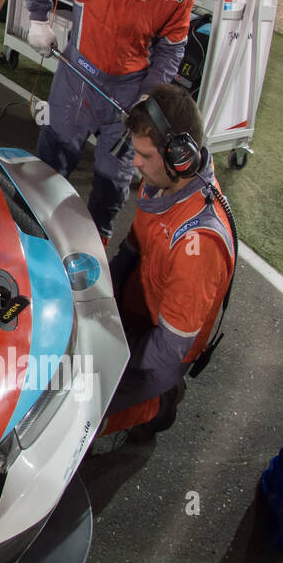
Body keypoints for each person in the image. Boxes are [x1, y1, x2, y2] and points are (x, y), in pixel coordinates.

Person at [26, 0, 191, 241]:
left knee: (112, 184)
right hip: (77, 79)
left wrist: (149, 95)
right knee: (49, 167)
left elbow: (172, 48)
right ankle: (29, 236)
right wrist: (38, 18)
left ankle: (93, 255)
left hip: (129, 95)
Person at [100, 86, 235, 440]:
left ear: (181, 157)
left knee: (79, 413)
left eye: (144, 155)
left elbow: (169, 347)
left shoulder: (200, 243)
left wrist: (109, 351)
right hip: (133, 321)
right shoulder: (159, 183)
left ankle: (160, 405)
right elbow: (130, 253)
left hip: (156, 352)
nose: (135, 162)